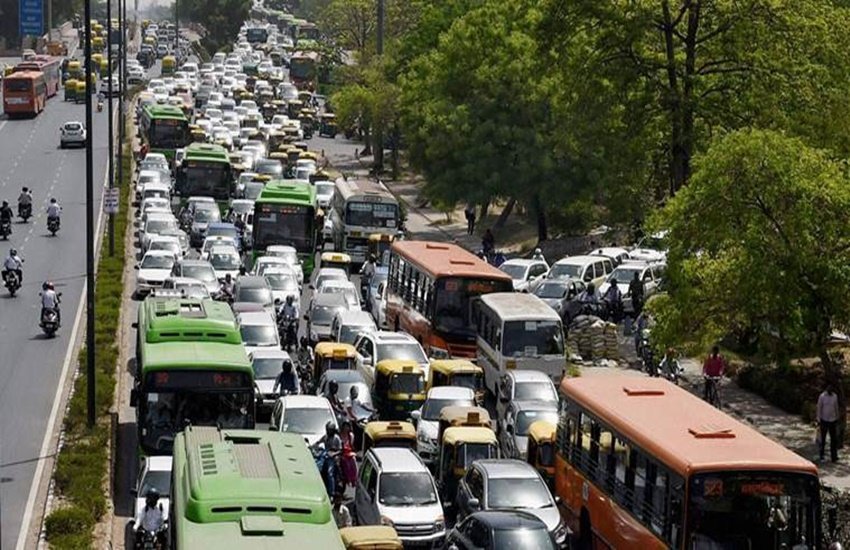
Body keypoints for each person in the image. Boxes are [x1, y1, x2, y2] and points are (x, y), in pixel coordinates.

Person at [817, 384, 840, 463]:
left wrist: (837, 417)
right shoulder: (822, 396)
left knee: (834, 440)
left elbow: (836, 407)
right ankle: (822, 455)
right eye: (829, 387)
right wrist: (818, 420)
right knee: (822, 439)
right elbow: (819, 408)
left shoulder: (835, 396)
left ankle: (834, 456)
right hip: (824, 420)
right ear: (827, 388)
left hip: (832, 420)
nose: (830, 389)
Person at [339, 421, 357, 488]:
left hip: (349, 453)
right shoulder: (340, 436)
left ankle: (354, 480)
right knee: (346, 463)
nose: (346, 428)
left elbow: (351, 445)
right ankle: (348, 479)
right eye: (345, 426)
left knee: (353, 461)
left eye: (348, 426)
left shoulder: (351, 436)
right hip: (342, 453)